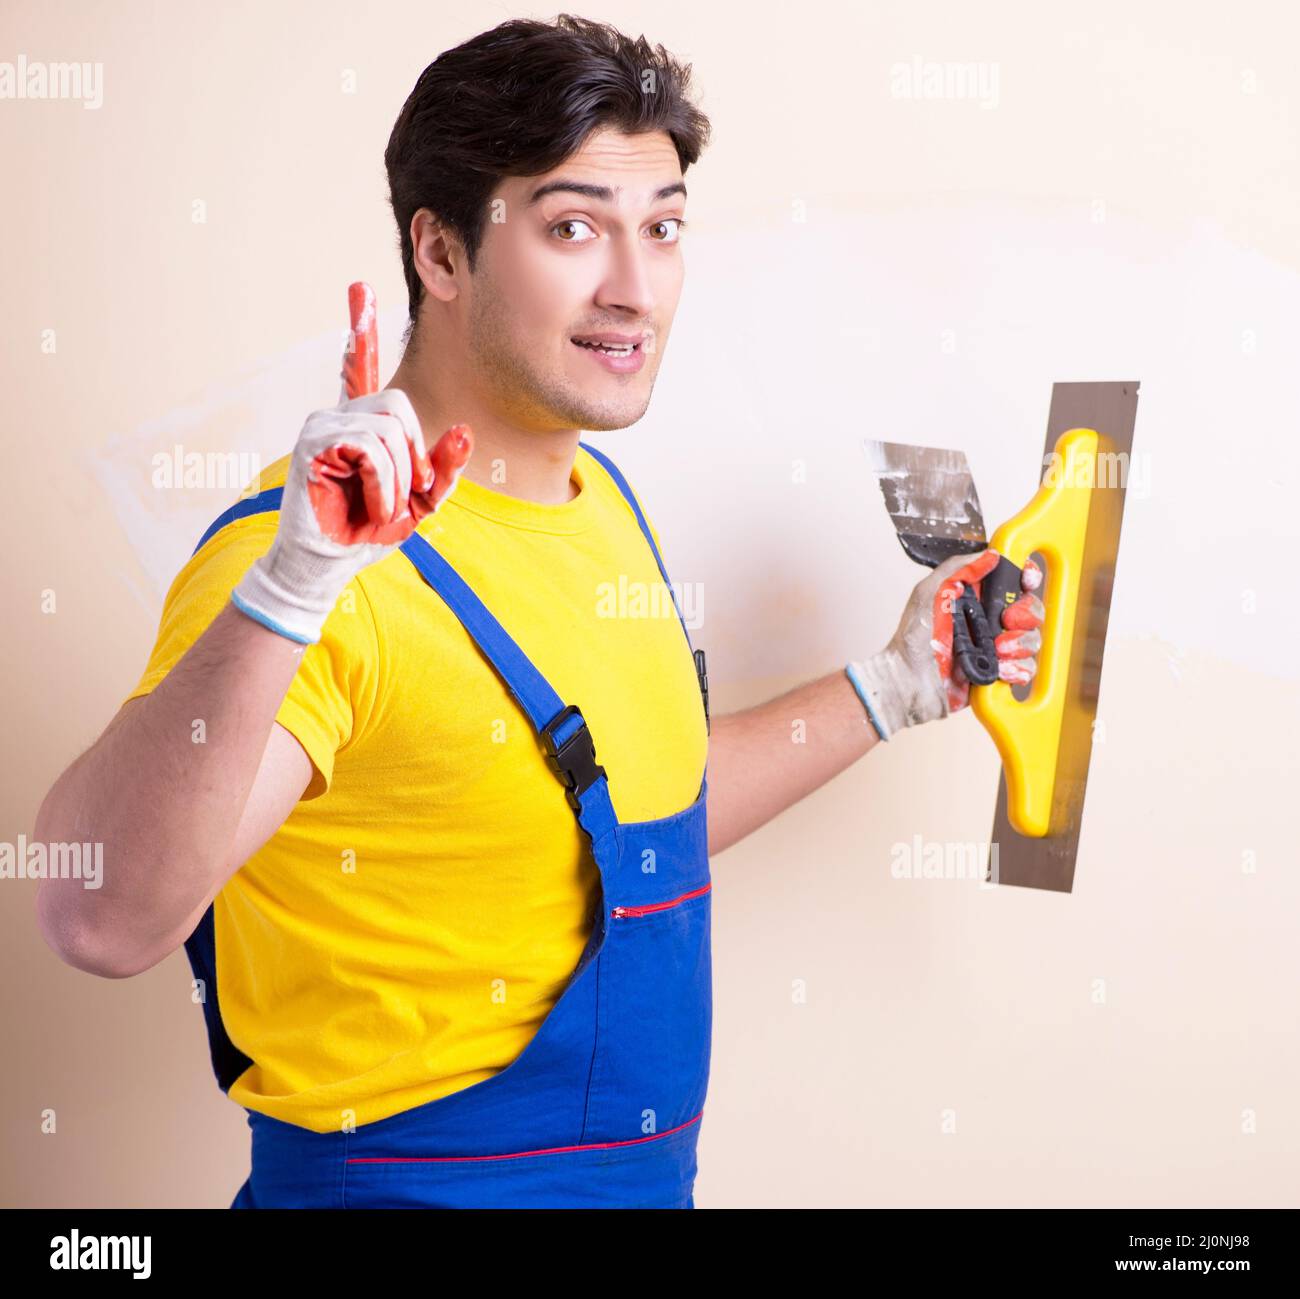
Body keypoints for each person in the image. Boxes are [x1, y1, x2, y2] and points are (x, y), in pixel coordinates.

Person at [33, 15, 1043, 1209]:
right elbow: (96, 915)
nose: (634, 289)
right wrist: (293, 591)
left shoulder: (596, 502)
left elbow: (621, 825)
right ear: (442, 254)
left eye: (661, 229)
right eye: (573, 228)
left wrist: (895, 683)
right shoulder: (316, 570)